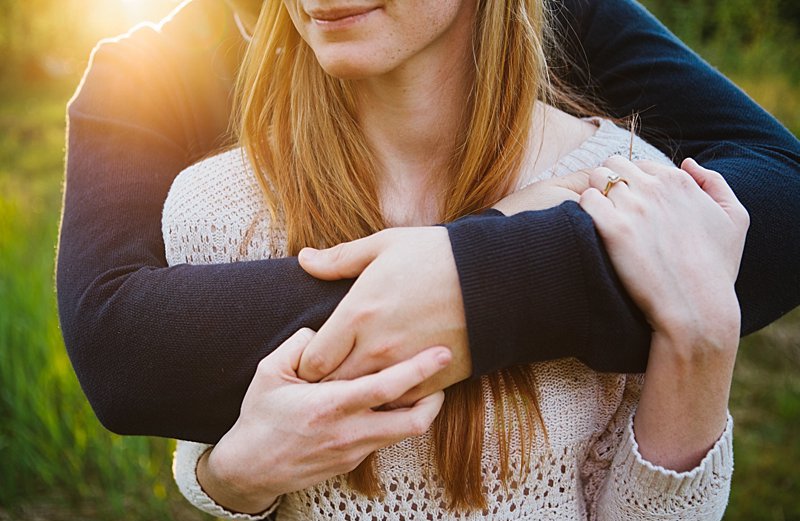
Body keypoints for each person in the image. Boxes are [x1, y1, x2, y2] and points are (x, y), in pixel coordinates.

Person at [58, 0, 800, 446]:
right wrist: (471, 270)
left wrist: (484, 275)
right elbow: (119, 344)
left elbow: (782, 196)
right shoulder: (146, 72)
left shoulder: (541, 16)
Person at [165, 1, 748, 521]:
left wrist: (705, 339)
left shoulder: (628, 188)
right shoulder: (215, 208)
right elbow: (215, 469)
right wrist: (239, 473)